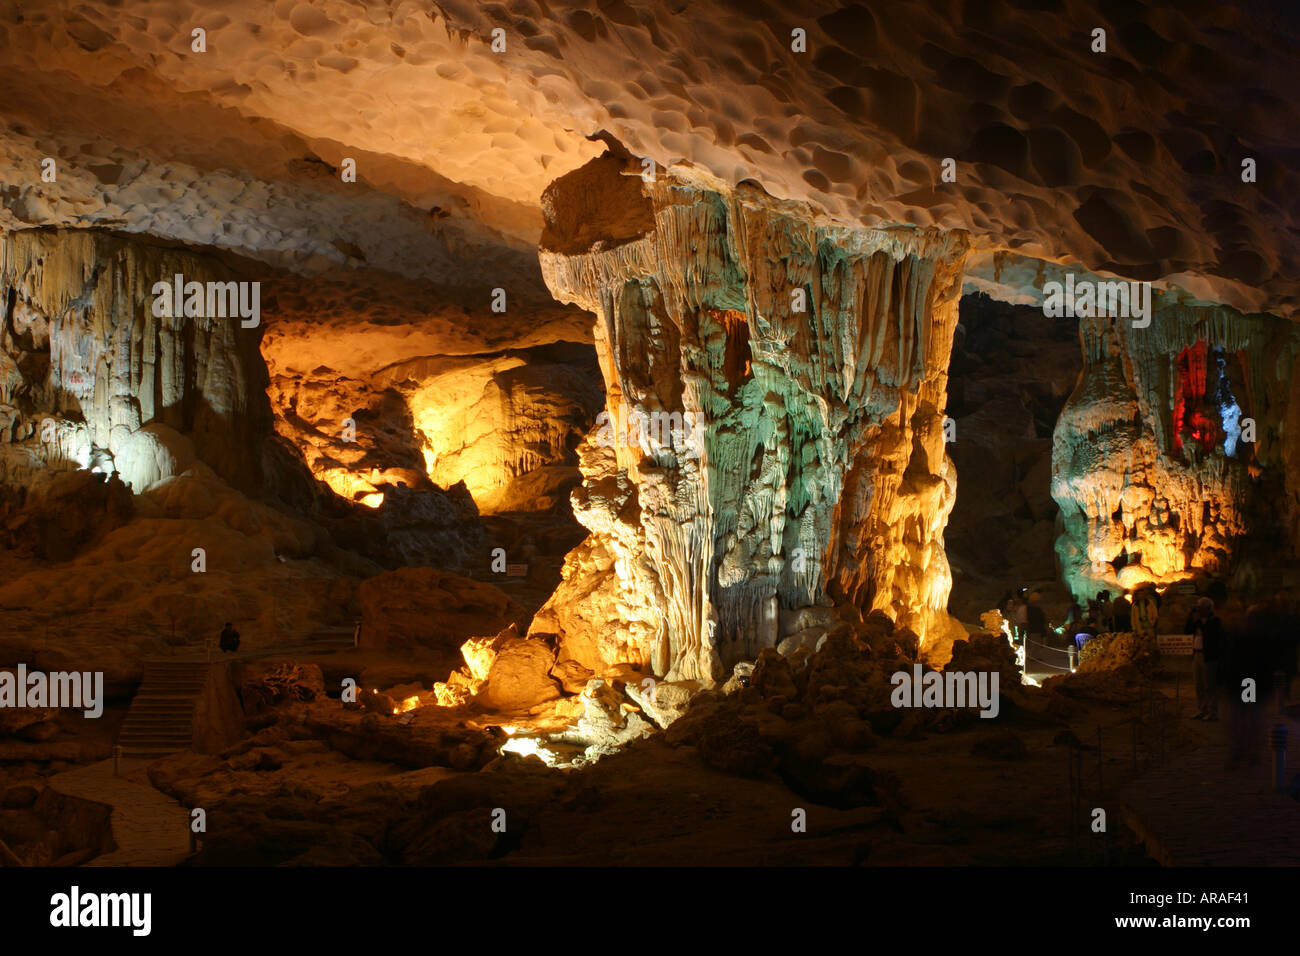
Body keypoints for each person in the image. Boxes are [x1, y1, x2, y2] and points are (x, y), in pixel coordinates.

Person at [1187, 598, 1224, 720]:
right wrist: (1191, 617)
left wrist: (1201, 623)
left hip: (1209, 656)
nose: (1199, 609)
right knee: (1199, 684)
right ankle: (1202, 709)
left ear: (1208, 609)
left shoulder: (1215, 621)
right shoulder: (1197, 621)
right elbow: (1187, 630)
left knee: (1210, 685)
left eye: (1201, 607)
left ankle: (1212, 711)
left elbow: (1212, 636)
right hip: (1197, 654)